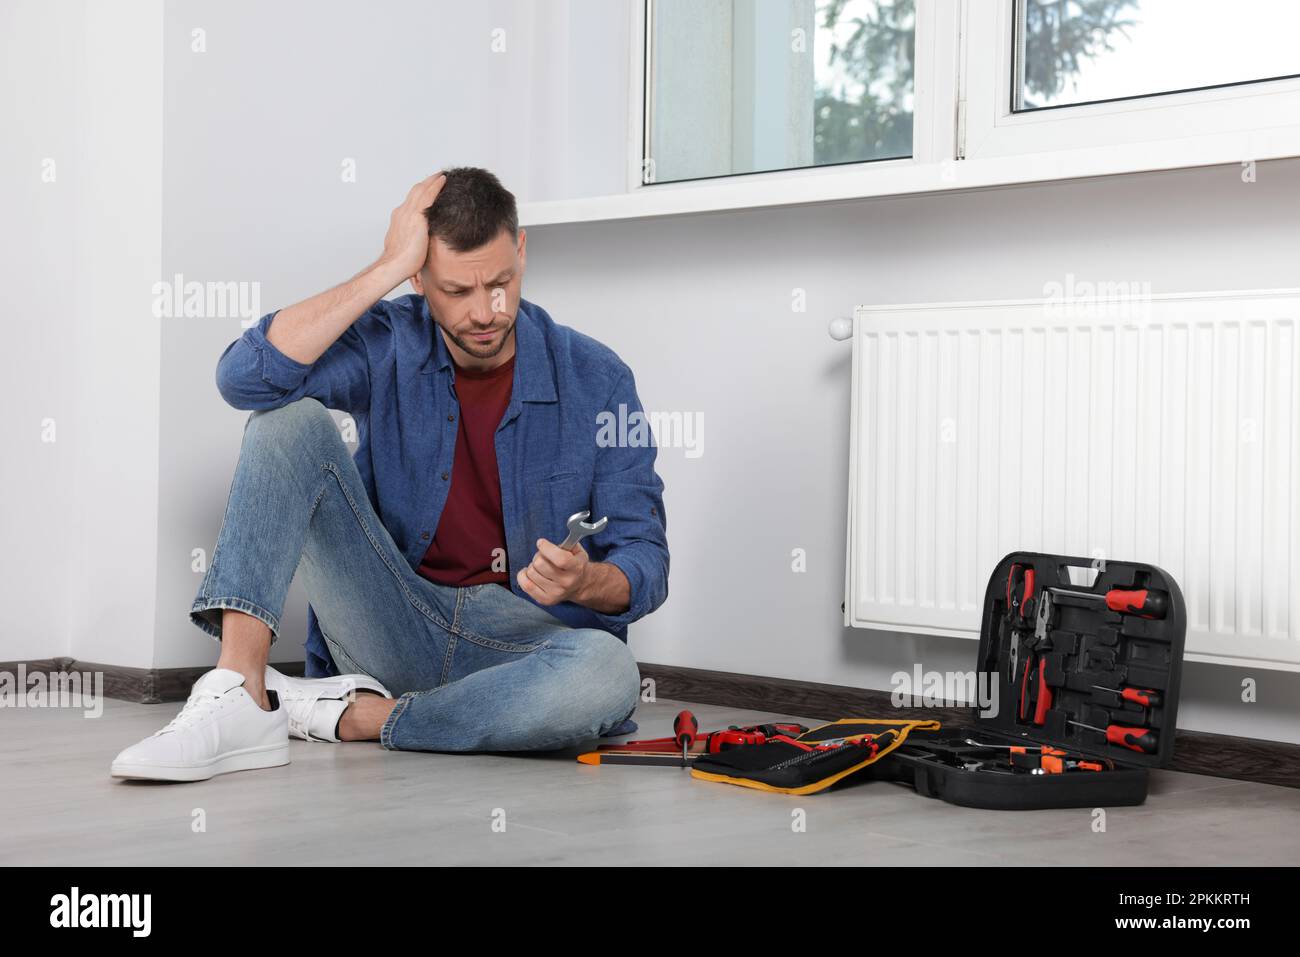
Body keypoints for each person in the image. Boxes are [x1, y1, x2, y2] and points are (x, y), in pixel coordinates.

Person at [111, 168, 669, 781]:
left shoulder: (599, 377)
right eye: (457, 290)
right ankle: (241, 694)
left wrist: (587, 580)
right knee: (285, 422)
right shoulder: (394, 340)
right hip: (394, 620)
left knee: (609, 674)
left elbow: (646, 559)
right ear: (419, 278)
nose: (485, 311)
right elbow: (244, 379)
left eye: (501, 283)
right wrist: (382, 269)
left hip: (520, 646)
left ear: (522, 252)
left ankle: (355, 718)